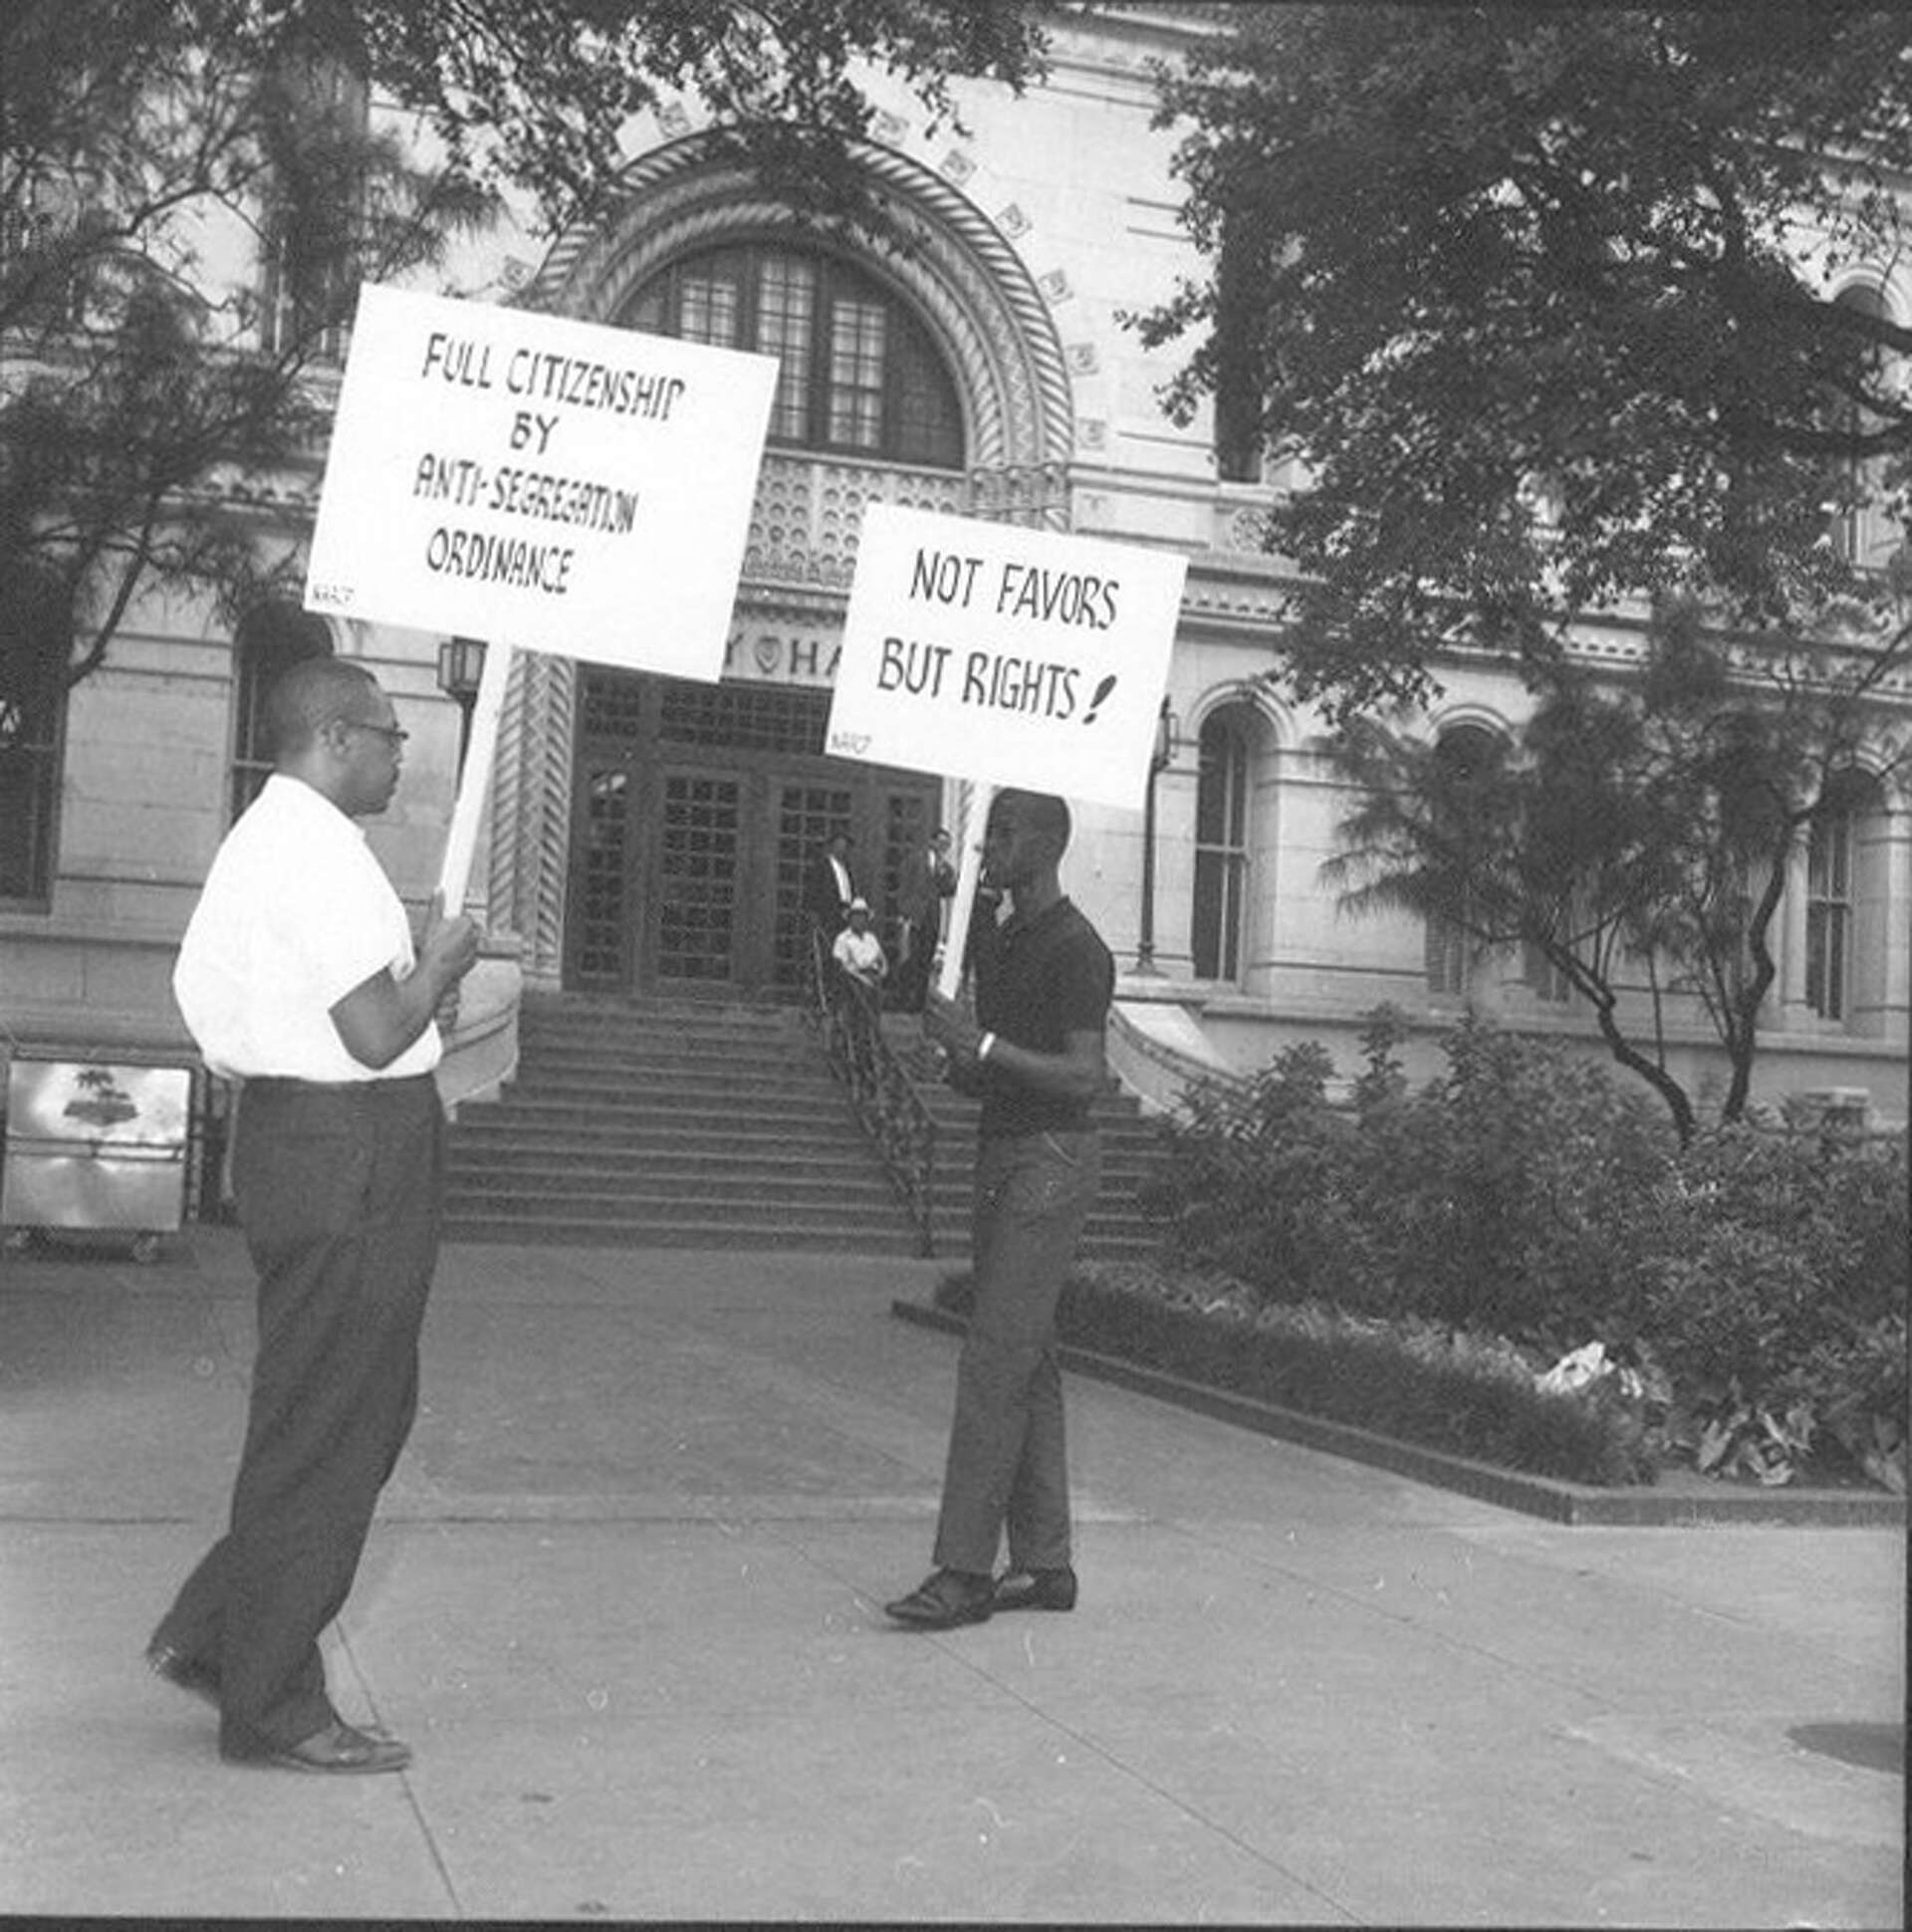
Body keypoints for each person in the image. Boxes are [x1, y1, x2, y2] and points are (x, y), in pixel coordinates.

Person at [146, 655, 480, 1775]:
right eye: (389, 734)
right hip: (353, 1144)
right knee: (333, 1419)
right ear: (336, 736)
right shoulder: (316, 850)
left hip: (309, 1140)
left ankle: (221, 1634)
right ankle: (276, 1699)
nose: (402, 751)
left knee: (341, 1407)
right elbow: (378, 1031)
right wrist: (439, 965)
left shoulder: (273, 837)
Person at [885, 790, 1113, 1630]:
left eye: (1005, 835)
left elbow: (1083, 1075)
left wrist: (979, 1044)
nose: (992, 849)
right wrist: (964, 1060)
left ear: (1047, 846)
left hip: (1050, 1159)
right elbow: (1005, 1063)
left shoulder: (1078, 948)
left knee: (993, 1359)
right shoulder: (1010, 934)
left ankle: (964, 1571)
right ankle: (1046, 1562)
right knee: (1028, 1357)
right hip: (1007, 1147)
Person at [894, 826, 957, 1013]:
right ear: (932, 841)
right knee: (909, 960)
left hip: (932, 918)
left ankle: (919, 1003)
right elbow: (904, 885)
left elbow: (947, 891)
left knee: (925, 961)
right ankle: (903, 1000)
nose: (944, 847)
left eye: (948, 844)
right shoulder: (915, 860)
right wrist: (905, 912)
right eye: (942, 842)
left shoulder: (945, 867)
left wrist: (951, 878)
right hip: (915, 917)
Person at [802, 830, 858, 941]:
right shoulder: (821, 867)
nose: (843, 850)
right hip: (827, 913)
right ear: (832, 846)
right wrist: (812, 912)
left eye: (845, 847)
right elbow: (811, 889)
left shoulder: (847, 869)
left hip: (845, 914)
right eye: (840, 845)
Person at [831, 895, 887, 995]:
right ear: (850, 918)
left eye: (862, 916)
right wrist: (861, 978)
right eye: (856, 916)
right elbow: (842, 967)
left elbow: (882, 958)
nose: (859, 920)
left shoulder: (871, 938)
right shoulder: (843, 939)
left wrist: (883, 972)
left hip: (874, 977)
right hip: (854, 981)